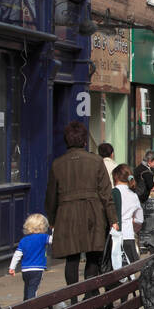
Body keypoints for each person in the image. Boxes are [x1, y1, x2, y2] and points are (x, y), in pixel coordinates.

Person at [45, 120, 119, 286]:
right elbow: (106, 194)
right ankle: (90, 297)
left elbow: (51, 196)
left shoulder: (57, 164)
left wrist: (51, 219)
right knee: (93, 257)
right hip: (92, 213)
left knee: (72, 258)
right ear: (85, 141)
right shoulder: (96, 161)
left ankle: (73, 300)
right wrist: (113, 219)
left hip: (67, 215)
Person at [8, 213, 51, 300]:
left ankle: (25, 303)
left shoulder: (24, 240)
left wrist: (12, 267)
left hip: (25, 269)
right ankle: (31, 308)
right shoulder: (43, 237)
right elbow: (54, 240)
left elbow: (17, 254)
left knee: (27, 288)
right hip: (37, 268)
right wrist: (54, 230)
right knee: (33, 289)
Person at [112, 164, 144, 263]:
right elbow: (139, 219)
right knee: (129, 270)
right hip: (128, 235)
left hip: (113, 235)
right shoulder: (133, 195)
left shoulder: (111, 193)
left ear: (115, 177)